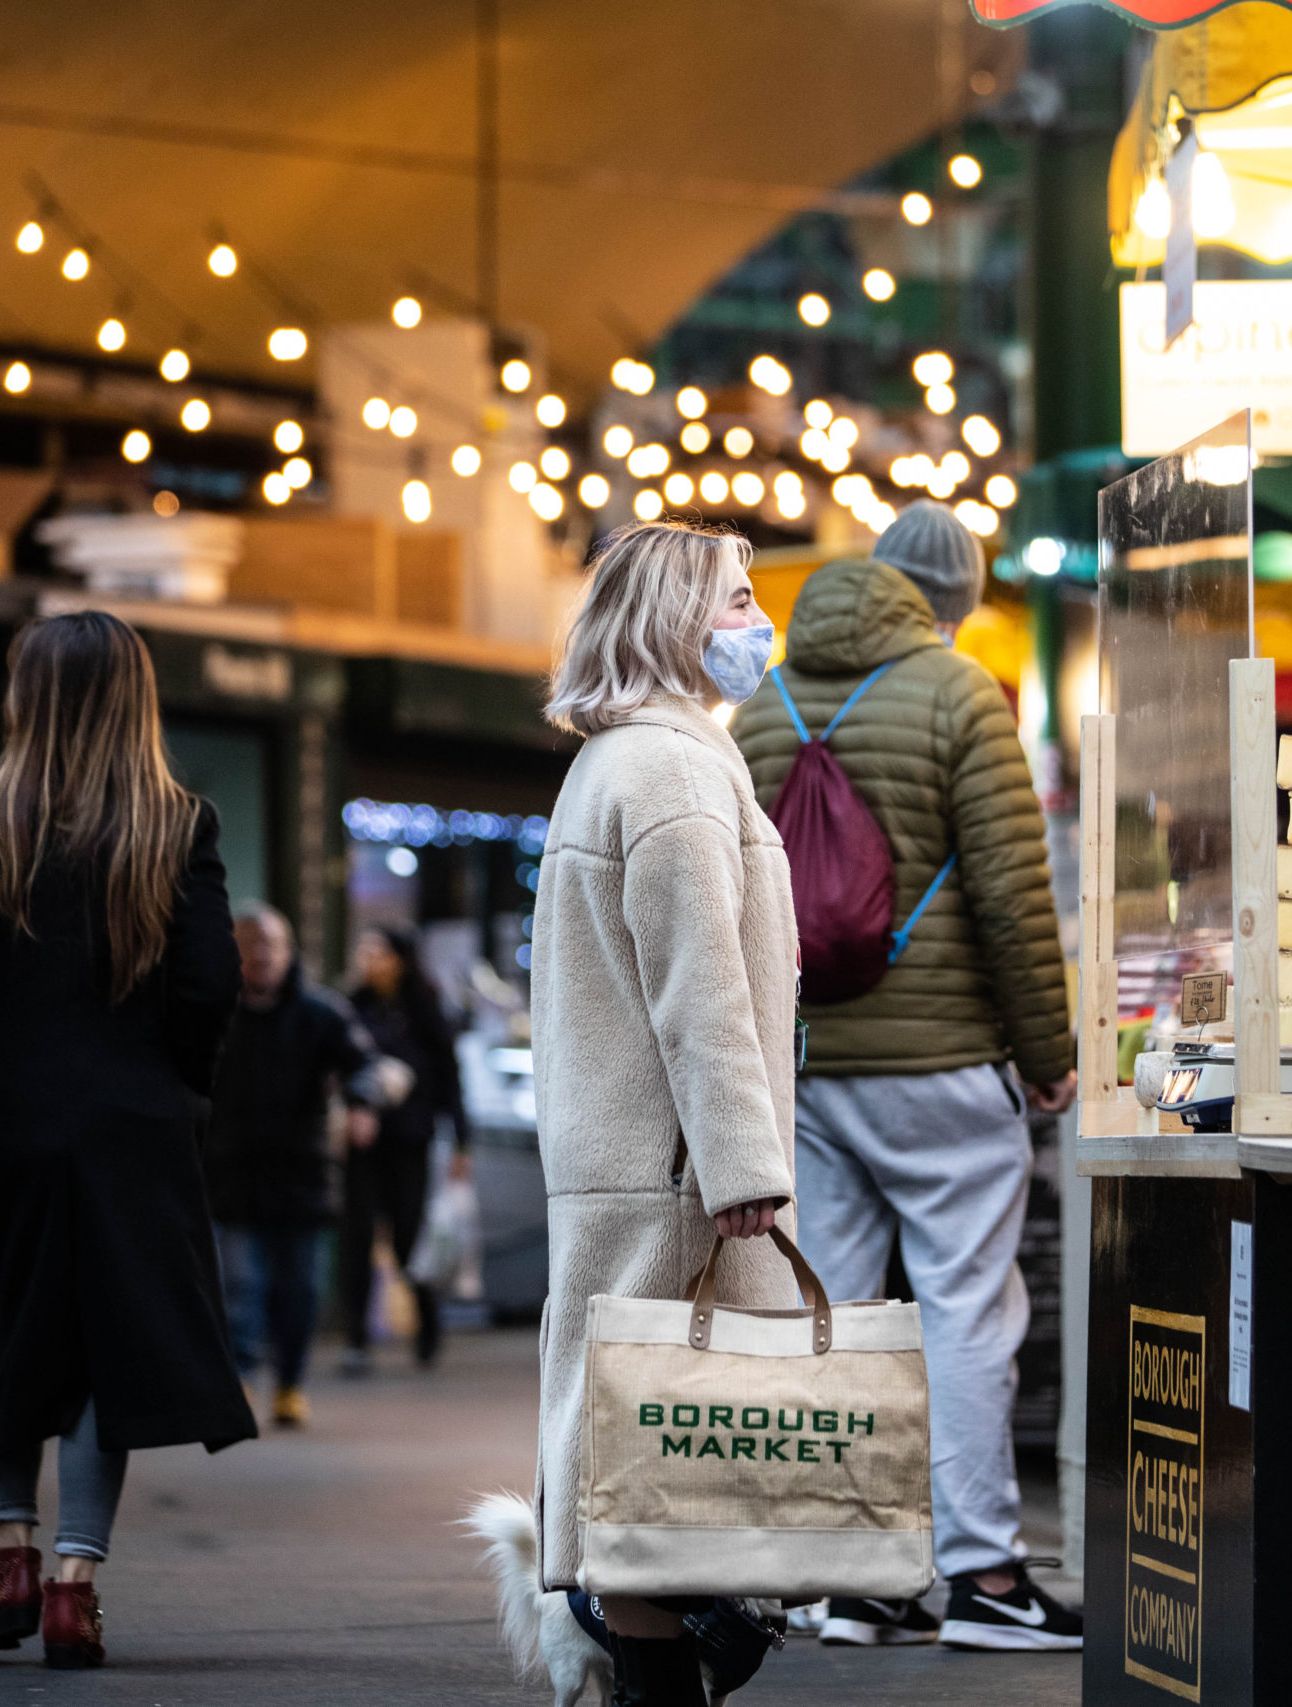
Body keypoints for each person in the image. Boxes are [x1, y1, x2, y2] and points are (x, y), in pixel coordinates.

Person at [730, 499, 1081, 1652]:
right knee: (968, 1313)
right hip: (940, 1068)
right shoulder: (959, 692)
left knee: (839, 1316)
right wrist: (1049, 1056)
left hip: (809, 1069)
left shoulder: (760, 706)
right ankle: (984, 1579)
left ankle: (858, 1578)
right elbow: (1011, 897)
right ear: (956, 600)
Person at [0, 611, 251, 1671]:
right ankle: (73, 1584)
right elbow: (210, 982)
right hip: (136, 1127)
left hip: (5, 1116)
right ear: (137, 700)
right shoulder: (177, 821)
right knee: (110, 1341)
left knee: (8, 1325)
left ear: (28, 699)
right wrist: (174, 1086)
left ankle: (8, 1552)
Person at [532, 520, 797, 1706]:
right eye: (735, 601)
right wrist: (744, 1162)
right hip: (679, 1178)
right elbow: (703, 992)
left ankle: (663, 1656)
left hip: (632, 1163)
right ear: (673, 621)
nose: (756, 623)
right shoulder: (678, 773)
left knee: (646, 1469)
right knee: (662, 1475)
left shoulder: (620, 761)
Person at [206, 903, 379, 1427]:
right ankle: (239, 1376)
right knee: (238, 1285)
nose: (261, 955)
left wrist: (362, 1104)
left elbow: (365, 1064)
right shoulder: (210, 1014)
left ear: (289, 952)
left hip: (302, 1177)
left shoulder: (319, 1013)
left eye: (272, 944)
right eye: (250, 944)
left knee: (298, 1289)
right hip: (230, 1175)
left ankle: (289, 1383)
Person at [336, 923, 468, 1374]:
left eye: (378, 952)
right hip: (362, 1141)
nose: (368, 961)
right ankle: (356, 1338)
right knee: (356, 1237)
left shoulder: (423, 1009)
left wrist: (461, 1140)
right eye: (364, 951)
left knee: (409, 1235)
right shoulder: (351, 1008)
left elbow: (449, 1076)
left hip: (410, 1139)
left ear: (399, 959)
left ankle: (426, 1321)